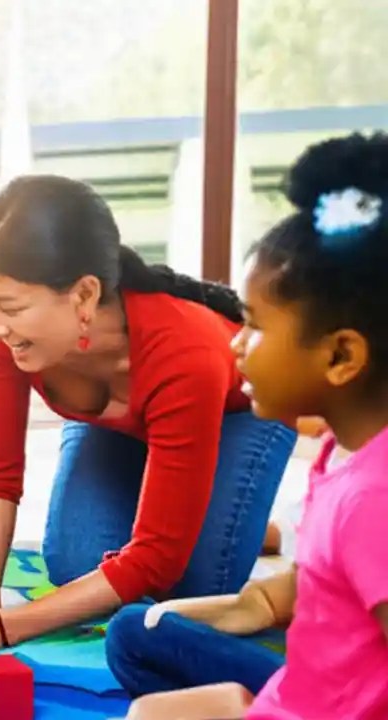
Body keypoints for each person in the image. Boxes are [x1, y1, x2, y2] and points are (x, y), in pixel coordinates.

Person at [0, 174, 297, 677]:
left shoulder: (184, 351)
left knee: (179, 596)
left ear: (83, 295)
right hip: (122, 432)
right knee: (80, 567)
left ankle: (226, 510)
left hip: (235, 416)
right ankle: (191, 503)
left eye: (9, 307)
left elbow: (156, 560)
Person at [118, 133, 388, 719]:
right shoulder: (340, 455)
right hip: (298, 691)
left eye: (254, 325)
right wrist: (254, 603)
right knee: (135, 633)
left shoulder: (374, 497)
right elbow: (329, 570)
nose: (236, 344)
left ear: (342, 356)